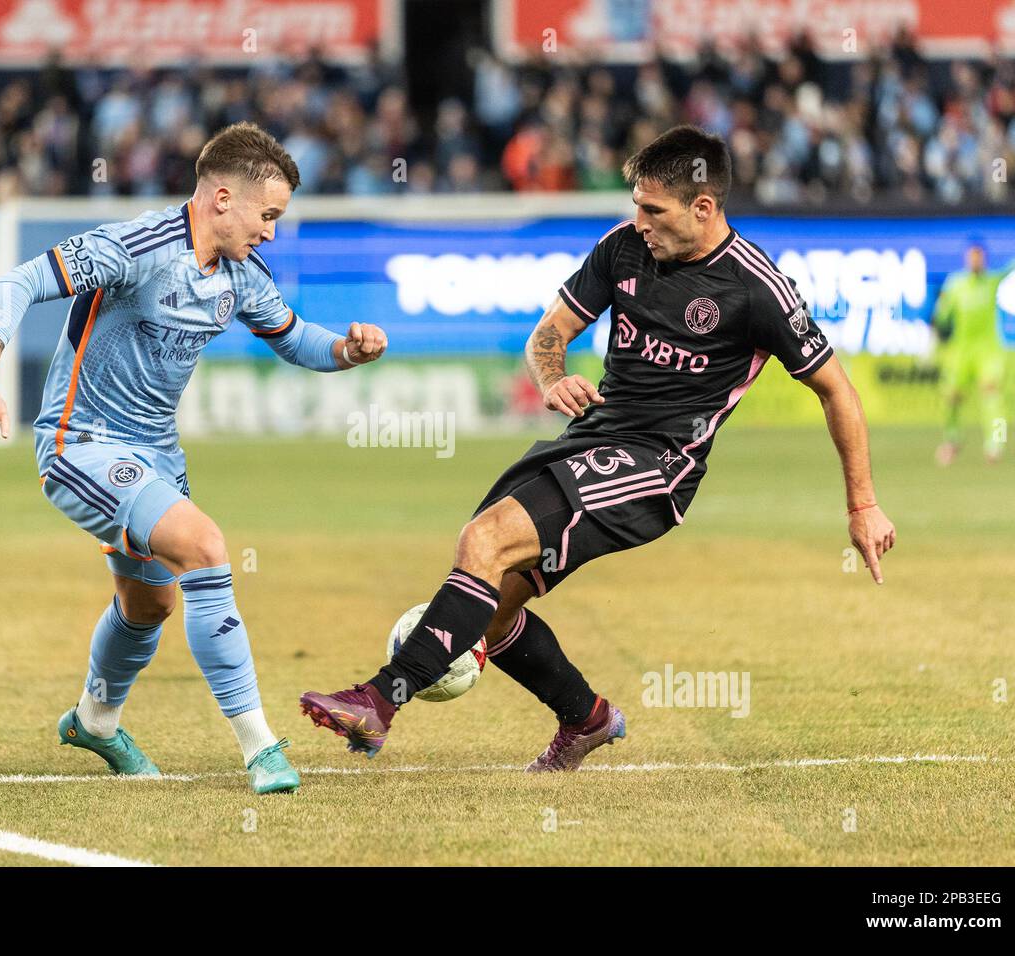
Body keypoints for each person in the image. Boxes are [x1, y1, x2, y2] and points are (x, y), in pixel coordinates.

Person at [300, 125, 895, 771]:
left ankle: (377, 702)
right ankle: (586, 720)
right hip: (590, 441)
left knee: (485, 540)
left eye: (652, 210)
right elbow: (547, 334)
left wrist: (862, 505)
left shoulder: (757, 288)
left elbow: (838, 392)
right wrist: (552, 380)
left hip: (660, 464)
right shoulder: (621, 250)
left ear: (703, 207)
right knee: (494, 606)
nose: (637, 222)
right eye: (635, 205)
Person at [0, 122, 387, 792]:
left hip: (158, 456)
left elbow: (294, 337)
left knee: (148, 606)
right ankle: (262, 750)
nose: (272, 231)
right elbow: (17, 281)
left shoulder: (241, 274)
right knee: (206, 546)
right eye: (267, 215)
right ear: (222, 198)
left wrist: (345, 351)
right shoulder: (135, 247)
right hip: (83, 443)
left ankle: (95, 722)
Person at [931, 241, 1015, 465]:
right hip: (961, 352)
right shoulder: (956, 285)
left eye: (979, 257)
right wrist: (936, 334)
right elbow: (942, 318)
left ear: (985, 259)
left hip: (988, 351)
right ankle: (952, 440)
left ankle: (997, 442)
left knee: (992, 394)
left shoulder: (992, 281)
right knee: (951, 397)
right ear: (966, 259)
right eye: (972, 257)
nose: (976, 261)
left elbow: (1013, 267)